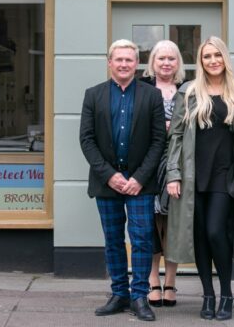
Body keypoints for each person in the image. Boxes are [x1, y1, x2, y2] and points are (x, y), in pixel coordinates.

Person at [165, 36, 234, 321]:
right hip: (193, 176)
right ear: (201, 62)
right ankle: (208, 294)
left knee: (216, 232)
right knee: (200, 236)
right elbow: (175, 135)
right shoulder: (189, 93)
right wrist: (173, 174)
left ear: (224, 58)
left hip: (224, 177)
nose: (212, 61)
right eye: (206, 57)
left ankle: (226, 293)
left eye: (217, 55)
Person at [79, 39, 167, 322]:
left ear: (136, 63)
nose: (124, 64)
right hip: (107, 183)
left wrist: (139, 178)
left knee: (141, 239)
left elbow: (158, 141)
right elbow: (87, 140)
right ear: (110, 62)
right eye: (119, 60)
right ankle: (119, 294)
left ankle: (140, 296)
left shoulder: (151, 96)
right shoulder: (93, 95)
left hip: (140, 184)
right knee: (113, 239)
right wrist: (111, 176)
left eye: (129, 60)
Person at [140, 40, 186, 308]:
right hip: (149, 167)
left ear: (177, 62)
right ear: (152, 62)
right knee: (150, 227)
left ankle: (170, 282)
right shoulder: (142, 89)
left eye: (171, 58)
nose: (166, 63)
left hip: (178, 167)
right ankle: (151, 281)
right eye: (161, 59)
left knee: (173, 227)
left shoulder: (187, 90)